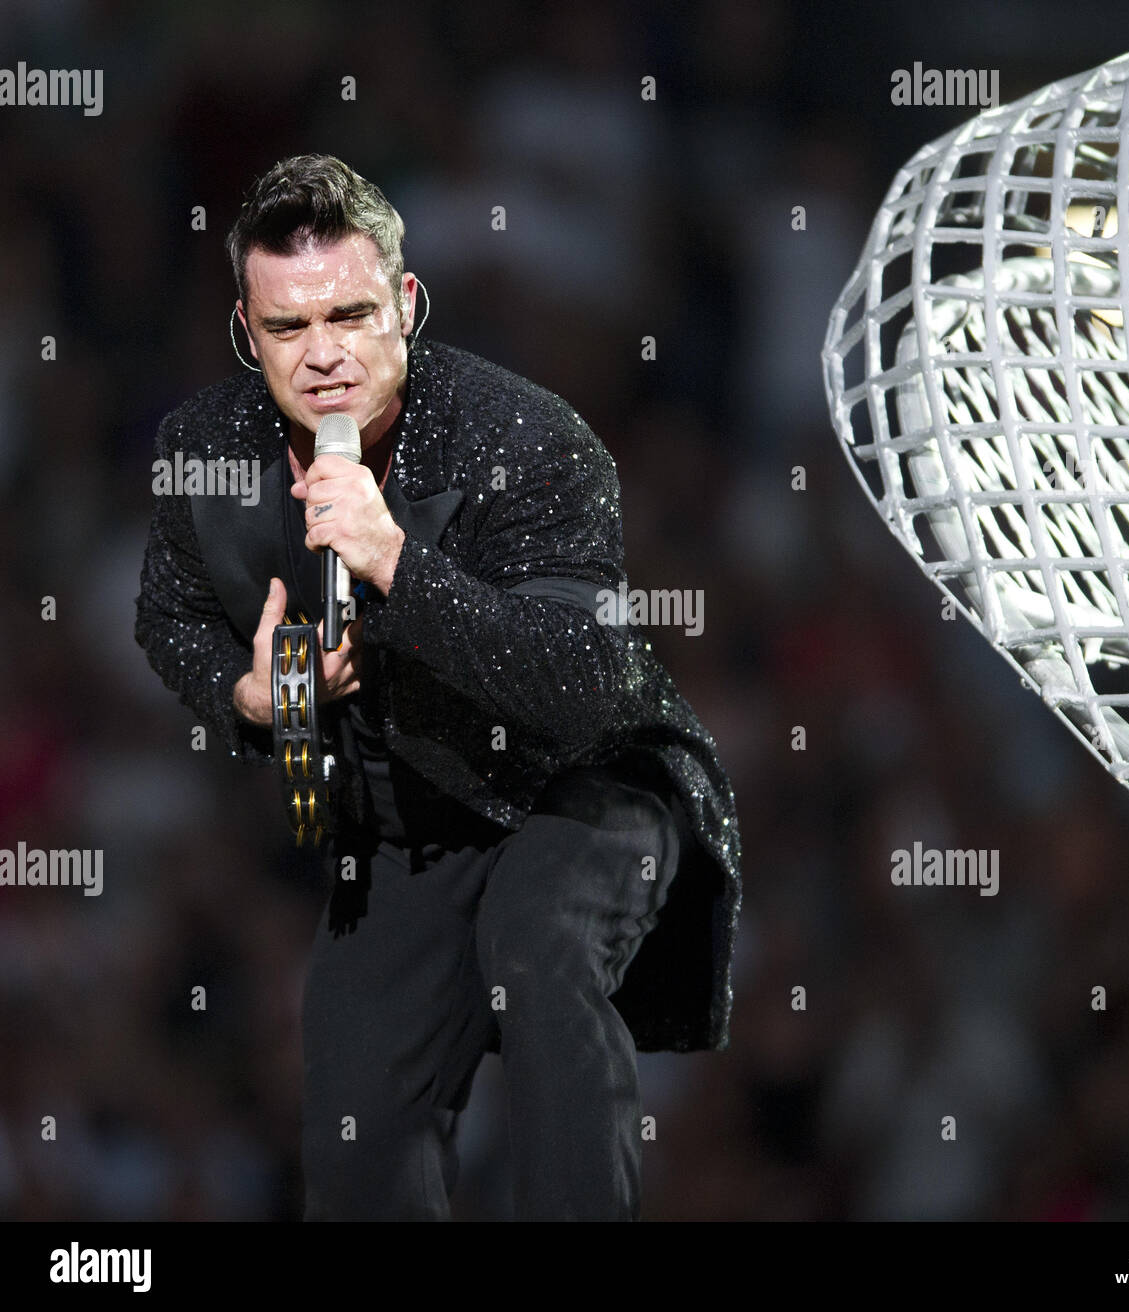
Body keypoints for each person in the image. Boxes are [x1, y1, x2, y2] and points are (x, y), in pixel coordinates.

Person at [134, 154, 741, 1221]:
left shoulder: (529, 436)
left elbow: (579, 680)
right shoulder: (203, 450)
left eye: (351, 315)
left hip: (582, 791)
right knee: (355, 1111)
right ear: (246, 330)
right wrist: (254, 697)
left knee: (536, 943)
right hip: (407, 822)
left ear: (406, 304)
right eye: (287, 329)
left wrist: (396, 563)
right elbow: (167, 618)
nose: (322, 355)